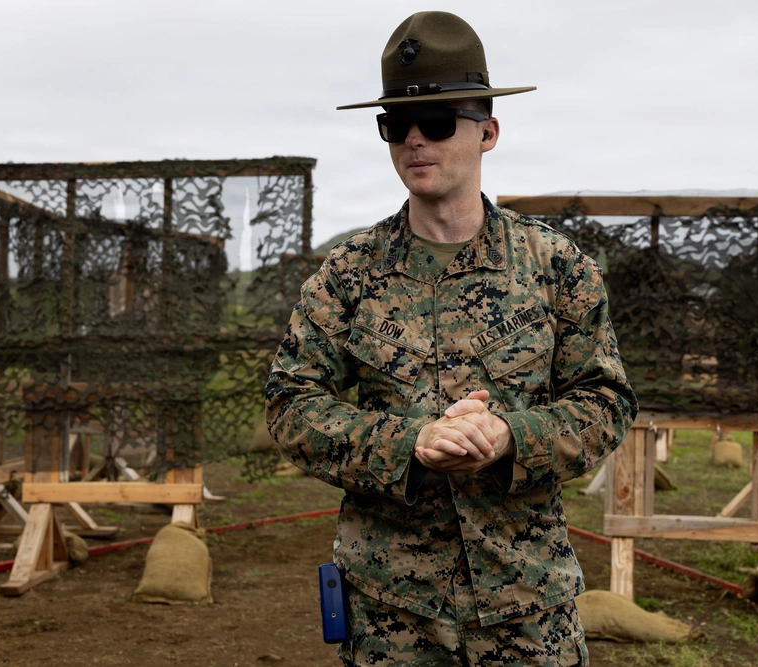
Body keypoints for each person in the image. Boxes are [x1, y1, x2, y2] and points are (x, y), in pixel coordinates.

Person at [266, 11, 637, 667]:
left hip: (528, 608)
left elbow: (605, 403)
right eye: (394, 125)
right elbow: (290, 406)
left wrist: (510, 437)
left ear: (488, 131)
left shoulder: (556, 267)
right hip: (391, 614)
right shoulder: (347, 276)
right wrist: (410, 442)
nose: (414, 140)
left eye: (436, 122)